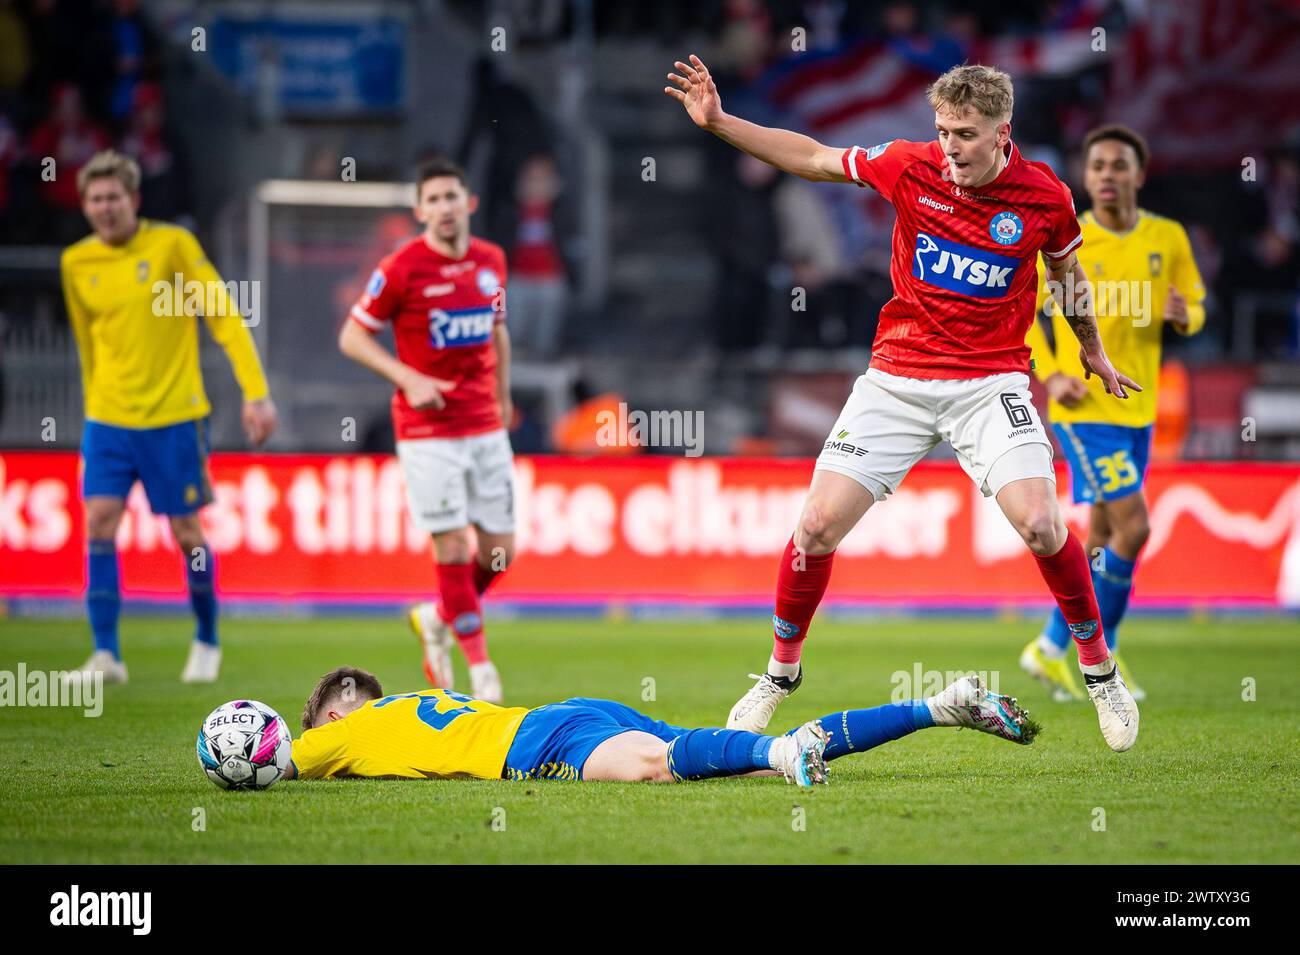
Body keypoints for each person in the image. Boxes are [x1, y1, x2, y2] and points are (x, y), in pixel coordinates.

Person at [665, 56, 1142, 751]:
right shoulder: (907, 165)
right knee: (816, 528)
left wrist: (1090, 347)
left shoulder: (1045, 197)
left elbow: (1067, 275)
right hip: (898, 377)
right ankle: (778, 675)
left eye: (965, 134)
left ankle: (1100, 670)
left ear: (1003, 133)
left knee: (1041, 524)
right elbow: (814, 157)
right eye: (943, 130)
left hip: (990, 383)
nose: (949, 146)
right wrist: (719, 122)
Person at [61, 150, 277, 686]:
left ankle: (206, 640)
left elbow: (224, 316)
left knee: (186, 532)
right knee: (98, 522)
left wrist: (256, 392)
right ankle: (106, 655)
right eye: (95, 199)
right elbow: (88, 346)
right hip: (108, 419)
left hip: (174, 416)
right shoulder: (75, 263)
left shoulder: (171, 246)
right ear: (84, 205)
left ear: (133, 199)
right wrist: (93, 409)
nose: (105, 207)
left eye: (114, 197)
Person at [1020, 125, 1205, 702]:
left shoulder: (1168, 237)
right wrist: (1050, 375)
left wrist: (1185, 317)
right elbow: (1029, 310)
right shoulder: (1069, 239)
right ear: (1086, 175)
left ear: (1138, 175)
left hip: (1140, 409)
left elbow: (1196, 307)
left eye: (1118, 166)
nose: (1105, 175)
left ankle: (1050, 649)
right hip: (1085, 407)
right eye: (1096, 165)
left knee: (1102, 534)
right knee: (1136, 527)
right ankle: (1106, 655)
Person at [338, 158, 515, 703]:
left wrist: (505, 398)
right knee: (452, 544)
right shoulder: (400, 269)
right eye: (433, 199)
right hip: (426, 431)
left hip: (484, 423)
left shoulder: (491, 262)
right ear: (419, 210)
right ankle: (481, 669)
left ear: (470, 202)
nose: (443, 207)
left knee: (500, 551)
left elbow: (498, 334)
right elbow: (353, 337)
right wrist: (407, 377)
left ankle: (438, 617)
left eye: (451, 196)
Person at [284, 665, 1037, 786]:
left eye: (321, 719)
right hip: (569, 712)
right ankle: (939, 705)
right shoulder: (409, 702)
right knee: (723, 753)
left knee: (663, 765)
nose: (322, 737)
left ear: (337, 712)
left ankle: (787, 749)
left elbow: (275, 756)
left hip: (535, 742)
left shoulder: (349, 729)